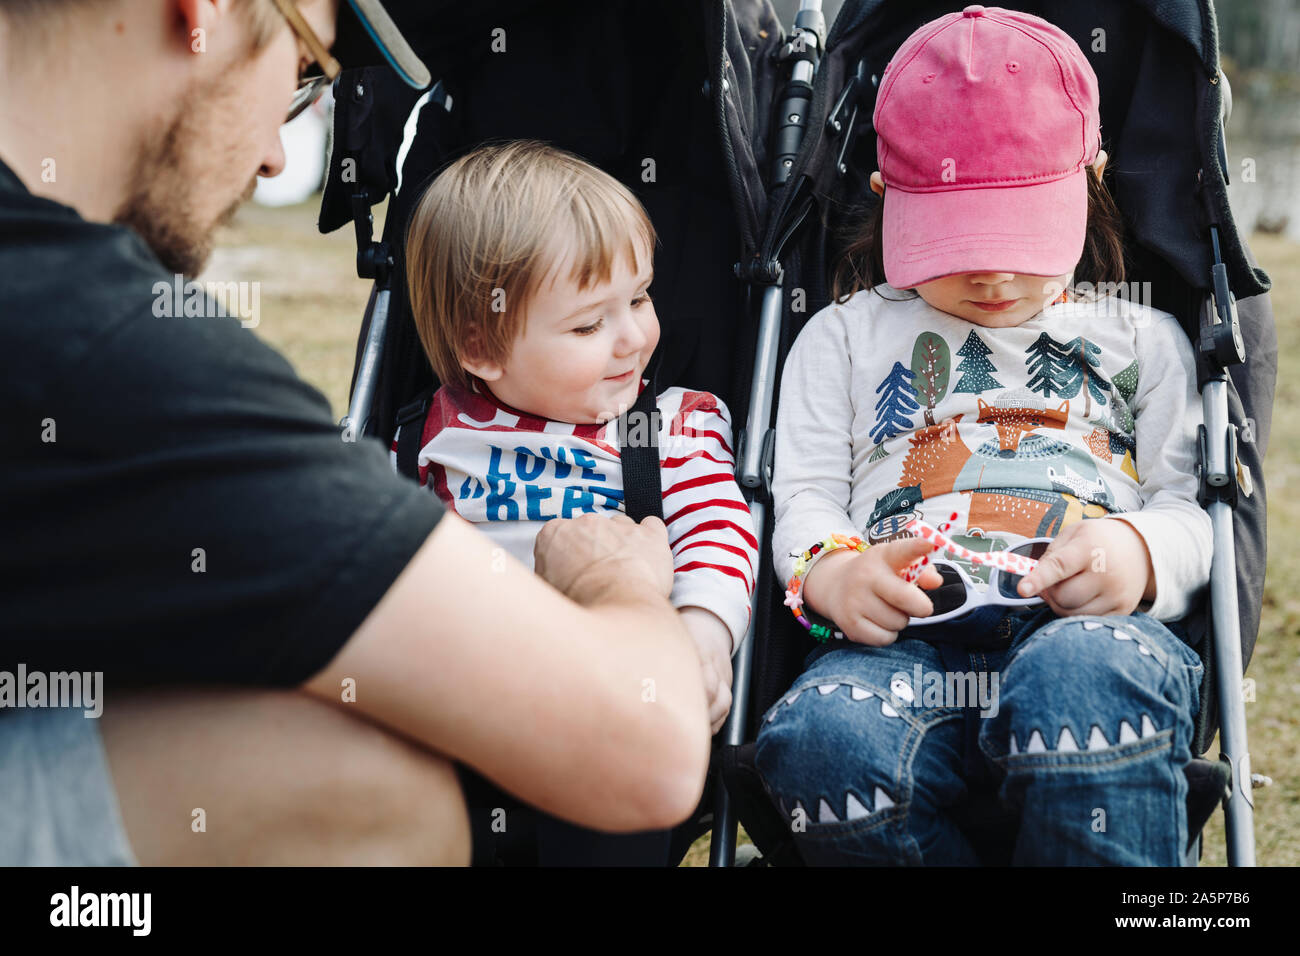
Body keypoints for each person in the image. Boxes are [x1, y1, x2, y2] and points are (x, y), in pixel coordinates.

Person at [0, 0, 711, 866]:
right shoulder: (97, 357)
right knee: (369, 781)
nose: (271, 155)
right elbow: (648, 748)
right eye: (304, 75)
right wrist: (620, 583)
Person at [754, 6, 1210, 866]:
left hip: (1082, 627)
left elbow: (1193, 508)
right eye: (960, 244)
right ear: (889, 198)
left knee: (1084, 683)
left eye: (1022, 239)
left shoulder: (1142, 337)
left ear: (1093, 178)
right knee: (821, 741)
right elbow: (805, 492)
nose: (995, 273)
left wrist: (1139, 552)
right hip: (903, 636)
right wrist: (834, 572)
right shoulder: (846, 336)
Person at [402, 141, 758, 734]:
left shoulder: (668, 425)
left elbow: (716, 531)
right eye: (589, 323)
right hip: (465, 694)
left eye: (640, 297)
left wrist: (701, 637)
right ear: (482, 348)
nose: (632, 338)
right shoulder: (430, 437)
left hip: (609, 689)